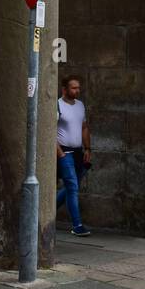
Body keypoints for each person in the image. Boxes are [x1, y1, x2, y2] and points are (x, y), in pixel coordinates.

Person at [56, 74, 92, 236]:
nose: (77, 90)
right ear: (64, 89)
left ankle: (44, 213)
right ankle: (77, 225)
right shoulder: (56, 106)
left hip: (78, 152)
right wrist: (60, 153)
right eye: (74, 88)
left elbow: (84, 127)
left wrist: (88, 149)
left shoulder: (80, 105)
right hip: (64, 152)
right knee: (72, 186)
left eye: (78, 88)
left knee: (71, 186)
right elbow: (49, 130)